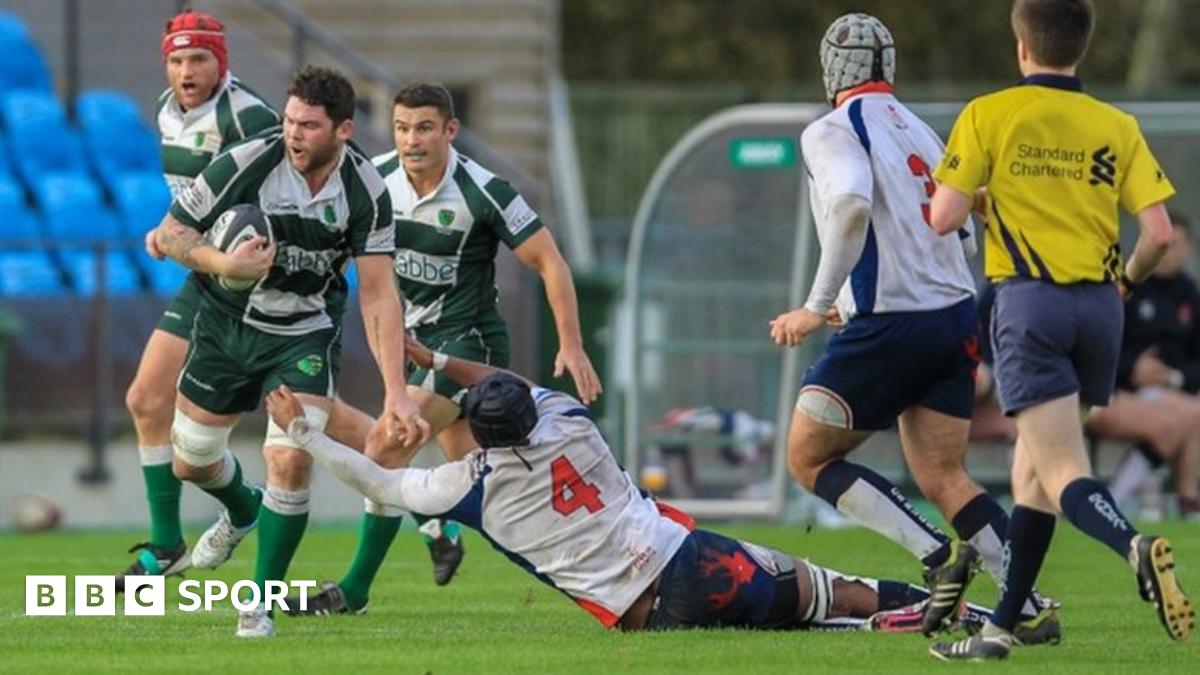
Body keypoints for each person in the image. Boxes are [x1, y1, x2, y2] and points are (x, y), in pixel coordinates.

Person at [265, 339, 991, 634]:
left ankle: (925, 620)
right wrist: (447, 358)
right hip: (691, 557)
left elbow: (377, 481)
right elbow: (510, 385)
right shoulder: (568, 417)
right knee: (838, 594)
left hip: (646, 613)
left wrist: (305, 433)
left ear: (478, 432)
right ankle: (987, 615)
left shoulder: (471, 486)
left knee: (821, 619)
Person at [768, 12, 1056, 643]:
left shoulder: (830, 129)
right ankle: (1029, 604)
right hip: (954, 317)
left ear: (831, 69)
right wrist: (867, 296)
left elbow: (849, 207)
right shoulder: (923, 131)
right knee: (943, 474)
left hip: (895, 325)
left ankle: (938, 560)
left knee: (807, 456)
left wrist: (818, 306)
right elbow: (964, 230)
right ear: (887, 67)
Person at [927, 0, 1191, 660]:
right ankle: (998, 631)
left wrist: (981, 196)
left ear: (1022, 47)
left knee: (1062, 467)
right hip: (1103, 306)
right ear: (1083, 47)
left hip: (1031, 303)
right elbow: (1159, 233)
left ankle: (1133, 545)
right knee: (1032, 475)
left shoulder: (989, 113)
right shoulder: (1115, 123)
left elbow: (942, 216)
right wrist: (1128, 280)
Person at [289, 81, 602, 614]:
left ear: (450, 131)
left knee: (386, 447)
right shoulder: (373, 180)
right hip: (407, 342)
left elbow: (550, 261)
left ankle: (355, 591)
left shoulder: (485, 190)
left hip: (467, 342)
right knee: (479, 479)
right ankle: (458, 530)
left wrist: (570, 344)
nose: (412, 140)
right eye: (403, 128)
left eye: (425, 128)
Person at [153, 65, 430, 638]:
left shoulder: (365, 191)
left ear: (344, 130)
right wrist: (226, 264)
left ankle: (258, 603)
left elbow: (378, 294)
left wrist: (396, 393)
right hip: (227, 323)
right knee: (191, 459)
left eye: (308, 124)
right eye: (289, 120)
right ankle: (242, 507)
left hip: (304, 330)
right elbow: (173, 233)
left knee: (292, 455)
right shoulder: (246, 160)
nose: (294, 133)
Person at [117, 10, 376, 590]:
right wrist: (172, 234)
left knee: (295, 431)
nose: (187, 70)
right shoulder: (166, 109)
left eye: (199, 58)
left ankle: (171, 546)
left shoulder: (256, 119)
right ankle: (227, 513)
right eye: (178, 59)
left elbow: (262, 207)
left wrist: (215, 249)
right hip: (216, 272)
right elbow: (192, 205)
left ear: (222, 62)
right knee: (151, 405)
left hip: (265, 285)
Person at [1110, 211, 1200, 518]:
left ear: (1189, 249)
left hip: (1176, 390)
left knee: (1192, 413)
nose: (1167, 251)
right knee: (1191, 416)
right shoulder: (1127, 288)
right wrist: (1134, 369)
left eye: (1175, 245)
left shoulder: (1190, 293)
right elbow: (1102, 348)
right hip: (1125, 391)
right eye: (1162, 244)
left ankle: (1185, 502)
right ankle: (1118, 499)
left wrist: (1173, 378)